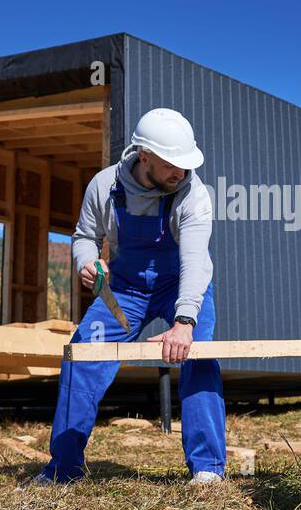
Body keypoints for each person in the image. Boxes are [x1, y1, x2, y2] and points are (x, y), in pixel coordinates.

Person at [27, 108, 226, 486]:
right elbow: (84, 236)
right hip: (125, 289)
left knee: (198, 356)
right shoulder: (104, 186)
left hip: (181, 284)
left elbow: (195, 262)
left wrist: (185, 322)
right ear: (144, 156)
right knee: (82, 354)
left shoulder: (194, 194)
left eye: (186, 164)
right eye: (171, 165)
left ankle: (207, 469)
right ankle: (63, 470)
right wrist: (86, 261)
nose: (181, 173)